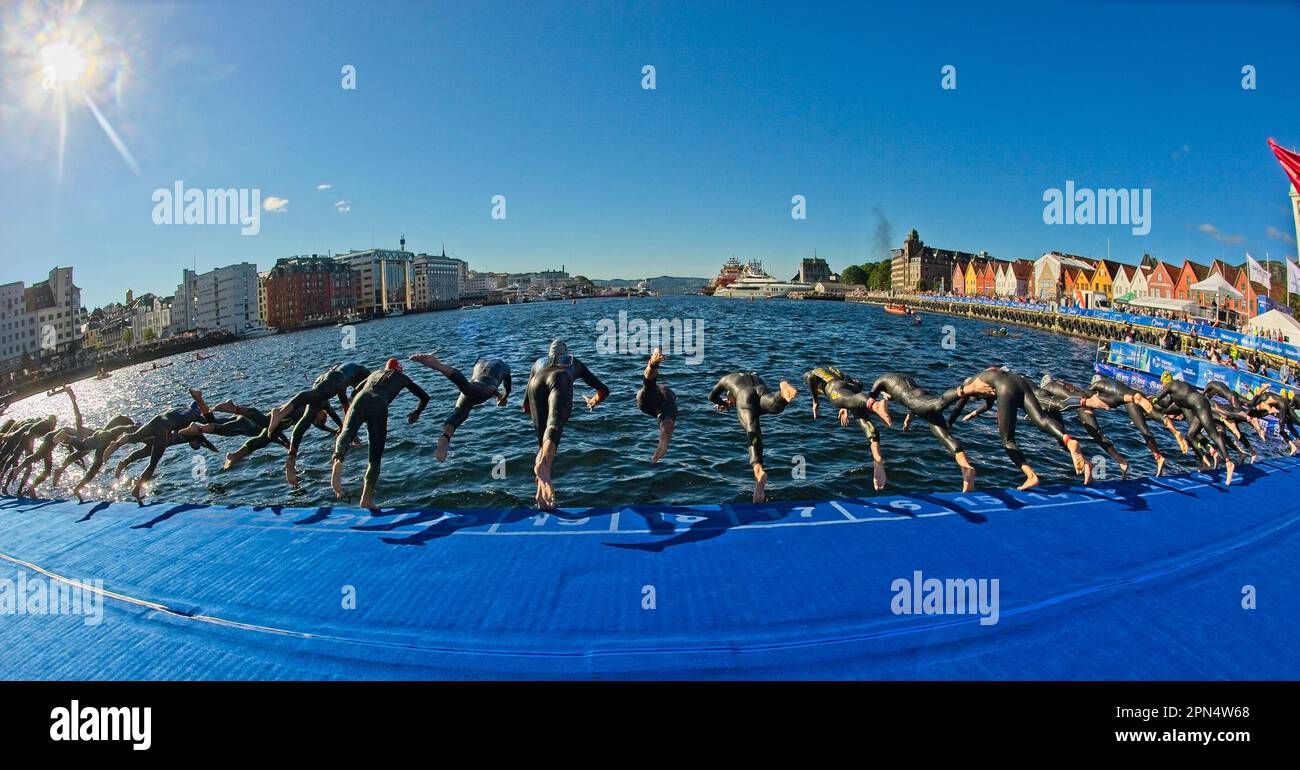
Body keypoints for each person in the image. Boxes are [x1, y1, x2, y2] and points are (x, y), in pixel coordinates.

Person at [948, 367, 1095, 489]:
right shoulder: (987, 376)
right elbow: (989, 403)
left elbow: (958, 407)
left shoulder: (970, 386)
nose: (974, 399)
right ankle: (1070, 442)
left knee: (1007, 441)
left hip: (1006, 388)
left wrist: (948, 425)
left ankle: (1031, 476)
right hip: (1019, 381)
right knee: (1042, 420)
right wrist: (973, 413)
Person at [329, 358, 429, 511]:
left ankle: (338, 460)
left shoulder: (374, 373)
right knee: (374, 457)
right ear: (399, 370)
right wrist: (417, 412)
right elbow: (424, 397)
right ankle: (366, 498)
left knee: (347, 432)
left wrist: (354, 417)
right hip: (379, 404)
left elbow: (355, 392)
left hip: (360, 399)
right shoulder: (403, 378)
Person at [524, 340, 609, 510]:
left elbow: (526, 406)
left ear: (549, 354)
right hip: (560, 380)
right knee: (555, 424)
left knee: (543, 443)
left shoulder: (538, 363)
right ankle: (545, 466)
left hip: (535, 385)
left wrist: (538, 409)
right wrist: (593, 401)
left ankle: (542, 499)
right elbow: (603, 390)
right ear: (566, 352)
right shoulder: (573, 362)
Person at [866, 372, 975, 491]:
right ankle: (965, 467)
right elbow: (915, 401)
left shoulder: (881, 381)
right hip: (921, 400)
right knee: (945, 437)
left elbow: (870, 401)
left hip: (917, 401)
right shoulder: (902, 379)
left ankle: (965, 389)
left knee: (939, 404)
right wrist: (908, 419)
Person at [266, 363, 370, 486]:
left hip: (324, 380)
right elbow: (353, 403)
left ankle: (291, 458)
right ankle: (281, 412)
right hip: (333, 379)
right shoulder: (367, 378)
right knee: (315, 394)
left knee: (307, 418)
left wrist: (350, 431)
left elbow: (346, 407)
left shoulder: (342, 382)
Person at [102, 389, 217, 500]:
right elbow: (209, 432)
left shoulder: (181, 409)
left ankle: (116, 446)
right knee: (153, 463)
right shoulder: (195, 421)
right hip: (162, 433)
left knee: (136, 438)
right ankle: (136, 490)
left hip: (156, 420)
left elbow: (202, 440)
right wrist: (215, 449)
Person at [709, 371, 798, 503]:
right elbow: (757, 399)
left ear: (731, 396)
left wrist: (724, 403)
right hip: (761, 390)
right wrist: (728, 401)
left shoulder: (725, 379)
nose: (732, 404)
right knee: (772, 403)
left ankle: (758, 470)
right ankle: (782, 393)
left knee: (752, 429)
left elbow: (712, 397)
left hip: (743, 395)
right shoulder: (756, 377)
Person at [408, 351, 511, 462]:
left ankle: (444, 442)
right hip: (482, 391)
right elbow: (507, 388)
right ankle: (436, 364)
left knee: (458, 415)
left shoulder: (480, 363)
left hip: (471, 390)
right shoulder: (504, 367)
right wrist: (503, 398)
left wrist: (498, 395)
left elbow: (482, 382)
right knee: (468, 390)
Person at [805, 365, 893, 490]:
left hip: (834, 388)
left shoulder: (814, 371)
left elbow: (809, 377)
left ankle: (875, 405)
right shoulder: (834, 370)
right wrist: (844, 408)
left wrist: (815, 401)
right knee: (864, 421)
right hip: (853, 390)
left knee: (853, 403)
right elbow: (856, 384)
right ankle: (877, 458)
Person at [1151, 372, 1235, 485]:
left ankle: (1229, 463)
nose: (1162, 386)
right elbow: (1165, 405)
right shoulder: (1175, 391)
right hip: (1197, 408)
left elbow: (1157, 399)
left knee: (1213, 434)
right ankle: (1209, 460)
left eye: (1162, 384)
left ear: (1165, 381)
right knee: (1190, 434)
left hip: (1201, 406)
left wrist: (1148, 401)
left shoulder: (1170, 385)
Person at [1039, 375, 1130, 477]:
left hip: (1081, 403)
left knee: (1062, 437)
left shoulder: (1047, 387)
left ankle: (1086, 463)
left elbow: (1047, 404)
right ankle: (1121, 461)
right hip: (1085, 397)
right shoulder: (1061, 383)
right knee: (1097, 435)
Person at [1087, 374, 1175, 475]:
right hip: (1138, 393)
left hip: (1132, 401)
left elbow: (1102, 399)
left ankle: (1158, 457)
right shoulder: (1111, 381)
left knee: (1144, 430)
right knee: (1150, 416)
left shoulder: (1099, 387)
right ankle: (1168, 418)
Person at [635, 348, 676, 464]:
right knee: (649, 385)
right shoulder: (670, 406)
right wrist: (663, 443)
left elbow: (666, 425)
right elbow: (666, 425)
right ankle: (653, 363)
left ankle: (653, 363)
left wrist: (663, 443)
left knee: (649, 385)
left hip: (644, 401)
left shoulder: (668, 403)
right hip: (649, 402)